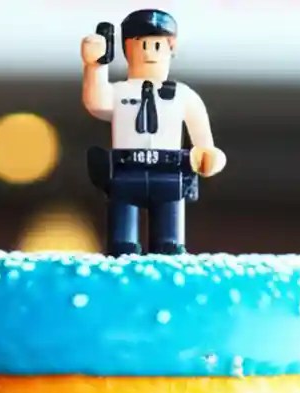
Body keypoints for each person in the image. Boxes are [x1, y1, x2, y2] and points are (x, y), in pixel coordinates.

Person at [81, 9, 227, 255]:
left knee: (169, 244)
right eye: (143, 45)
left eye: (157, 45)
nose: (149, 52)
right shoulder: (120, 92)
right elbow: (96, 102)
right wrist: (95, 66)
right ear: (128, 49)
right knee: (122, 245)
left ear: (172, 48)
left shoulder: (183, 96)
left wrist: (210, 157)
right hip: (126, 171)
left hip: (170, 173)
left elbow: (204, 141)